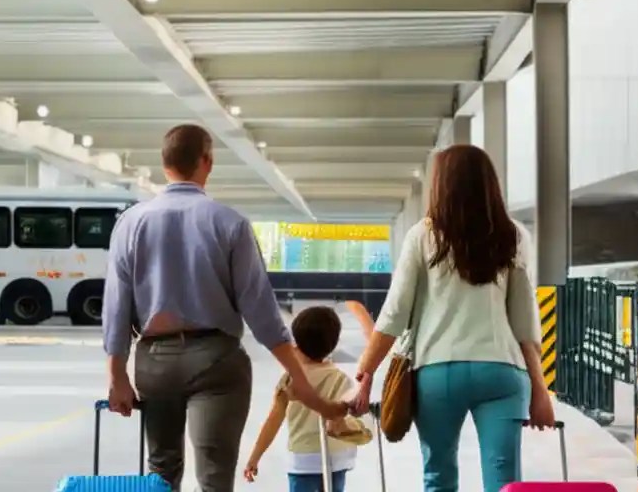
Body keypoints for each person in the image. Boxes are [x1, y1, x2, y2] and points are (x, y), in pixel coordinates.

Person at [103, 124, 347, 492]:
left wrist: (117, 375)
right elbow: (260, 311)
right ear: (207, 162)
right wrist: (297, 372)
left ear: (164, 163)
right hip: (215, 360)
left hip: (154, 361)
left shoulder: (131, 224)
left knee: (160, 472)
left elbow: (116, 307)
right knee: (215, 475)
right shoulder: (229, 223)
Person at [349, 145, 555, 492]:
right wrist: (540, 389)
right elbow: (524, 320)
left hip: (437, 373)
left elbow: (394, 313)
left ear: (441, 185)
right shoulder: (513, 236)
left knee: (438, 475)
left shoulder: (423, 235)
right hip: (502, 372)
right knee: (505, 480)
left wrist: (365, 374)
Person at [243, 306, 372, 492]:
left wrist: (254, 458)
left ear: (297, 343)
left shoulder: (290, 380)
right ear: (333, 343)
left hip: (304, 461)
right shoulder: (340, 378)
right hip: (336, 458)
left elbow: (273, 421)